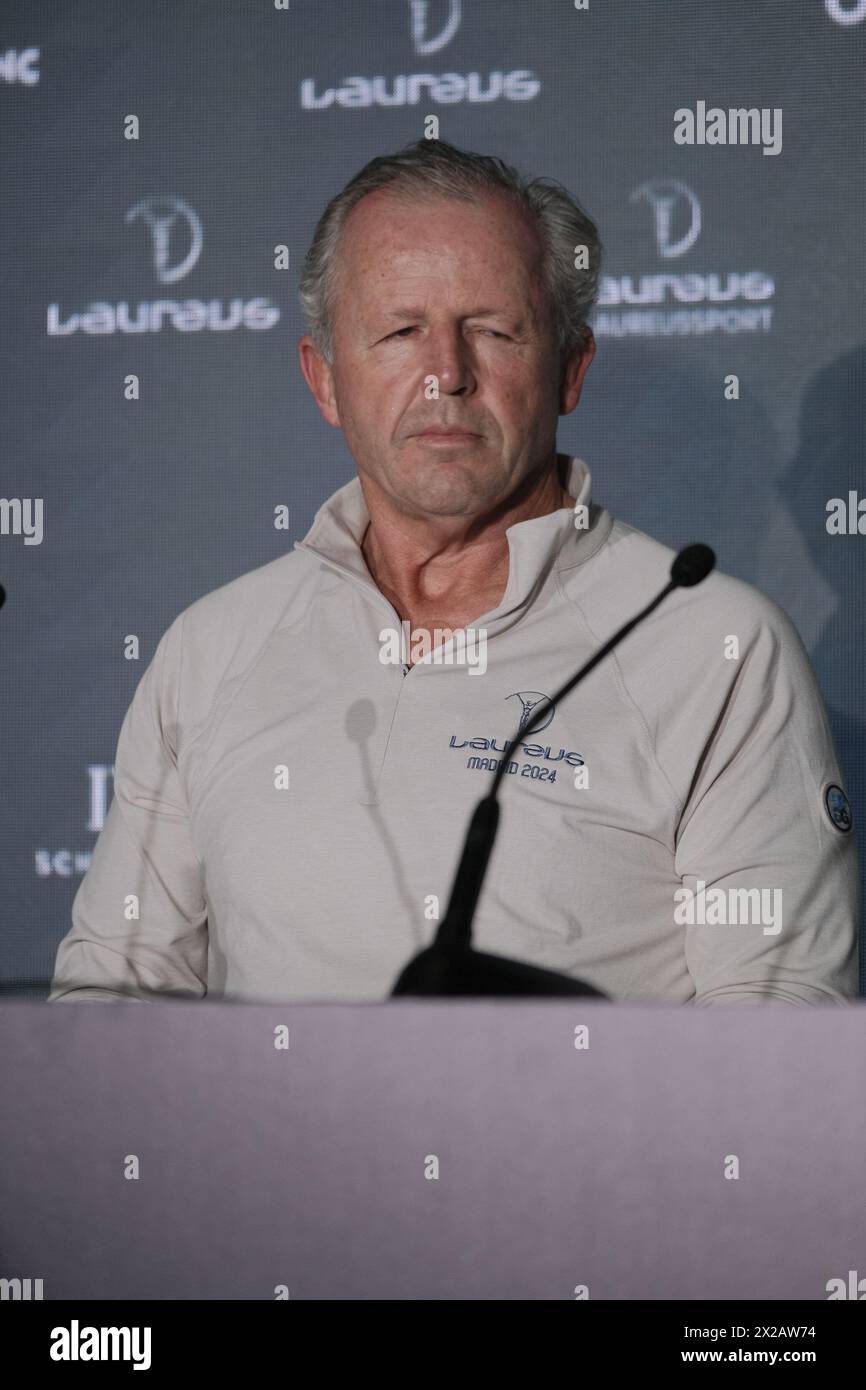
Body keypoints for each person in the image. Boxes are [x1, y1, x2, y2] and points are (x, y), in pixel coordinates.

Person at [48, 139, 859, 1005]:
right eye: (401, 331)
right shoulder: (211, 650)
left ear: (570, 369)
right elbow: (112, 1002)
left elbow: (779, 1027)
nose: (448, 376)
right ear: (323, 379)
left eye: (494, 331)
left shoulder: (716, 647)